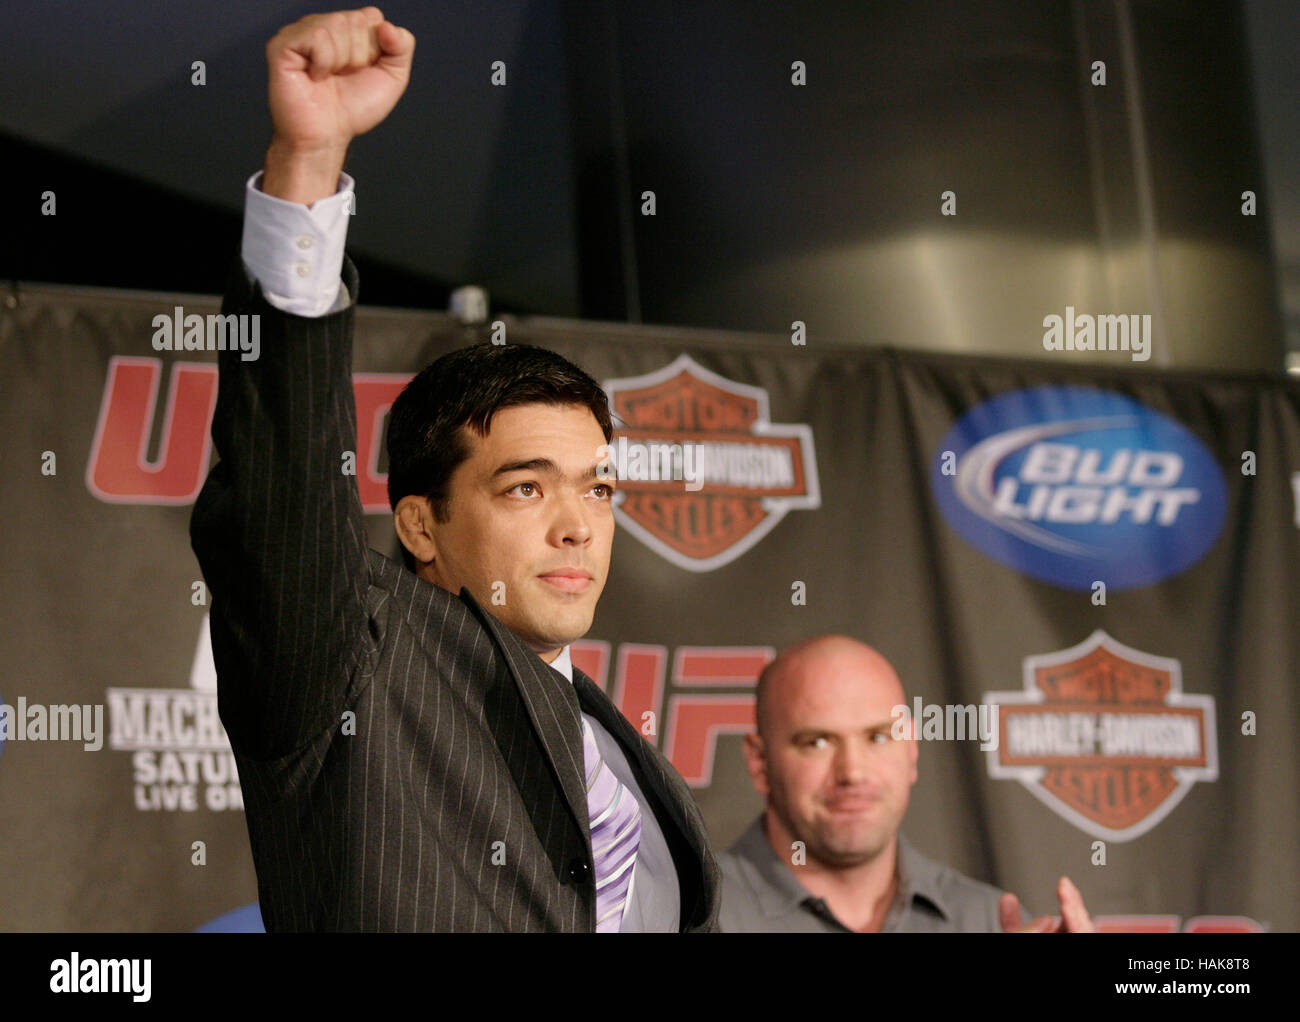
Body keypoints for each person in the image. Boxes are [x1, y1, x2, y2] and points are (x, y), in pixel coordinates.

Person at [190, 7, 718, 932]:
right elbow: (281, 481)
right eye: (525, 487)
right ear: (420, 523)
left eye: (596, 487)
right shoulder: (348, 666)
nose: (578, 524)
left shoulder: (612, 748)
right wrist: (307, 167)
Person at [717, 635, 1093, 932]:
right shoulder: (689, 913)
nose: (853, 773)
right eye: (817, 742)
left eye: (879, 738)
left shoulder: (989, 921)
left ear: (911, 751)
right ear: (759, 762)